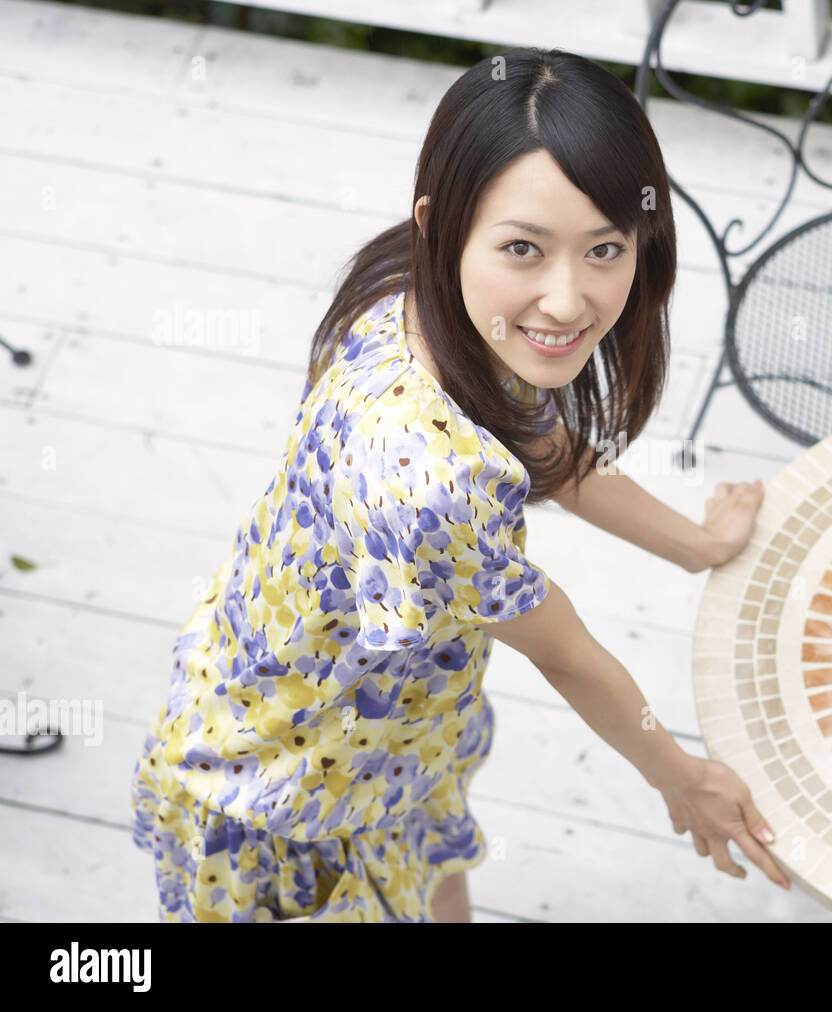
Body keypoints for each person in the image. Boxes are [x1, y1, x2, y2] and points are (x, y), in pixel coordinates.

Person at [128, 46, 785, 923]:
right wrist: (688, 780)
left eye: (604, 249)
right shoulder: (428, 480)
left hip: (393, 735)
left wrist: (696, 545)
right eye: (525, 248)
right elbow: (567, 653)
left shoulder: (431, 300)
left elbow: (545, 449)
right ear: (440, 223)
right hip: (287, 789)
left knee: (437, 878)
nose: (566, 298)